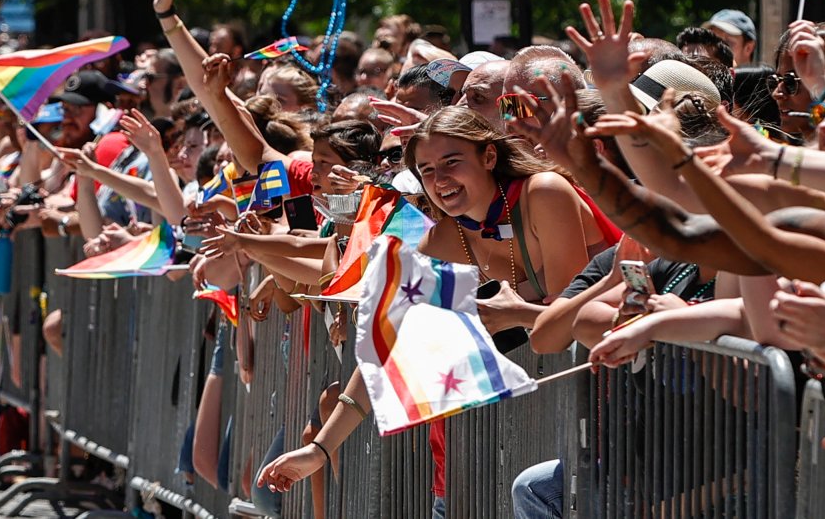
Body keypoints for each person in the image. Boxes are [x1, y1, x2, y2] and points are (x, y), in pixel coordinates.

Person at [256, 106, 618, 514]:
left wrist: (517, 315)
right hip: (586, 393)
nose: (439, 179)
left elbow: (571, 324)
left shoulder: (544, 192)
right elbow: (385, 344)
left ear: (489, 157)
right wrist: (320, 449)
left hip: (632, 382)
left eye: (451, 162)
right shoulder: (448, 235)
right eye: (426, 170)